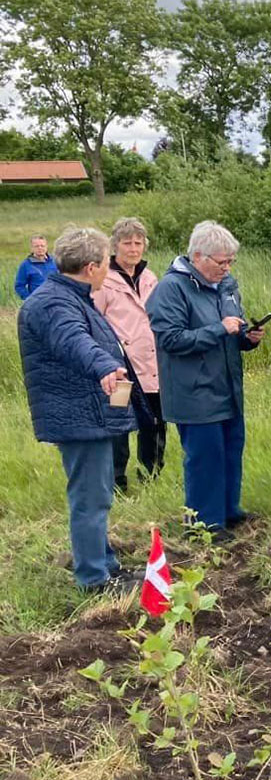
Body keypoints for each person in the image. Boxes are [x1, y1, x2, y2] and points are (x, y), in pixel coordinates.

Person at [19, 227, 142, 593]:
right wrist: (104, 366)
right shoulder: (52, 303)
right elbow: (74, 340)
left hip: (91, 413)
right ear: (91, 267)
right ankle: (95, 579)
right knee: (89, 498)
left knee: (99, 493)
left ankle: (106, 564)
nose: (110, 268)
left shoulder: (73, 295)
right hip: (78, 415)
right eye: (107, 262)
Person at [148, 221, 264, 543]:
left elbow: (231, 330)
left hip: (227, 386)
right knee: (204, 458)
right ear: (198, 256)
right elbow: (170, 339)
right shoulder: (171, 288)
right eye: (221, 262)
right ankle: (204, 525)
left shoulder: (226, 286)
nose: (226, 269)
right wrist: (220, 329)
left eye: (230, 262)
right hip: (194, 392)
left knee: (230, 450)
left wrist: (246, 338)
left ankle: (229, 511)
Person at [93, 218, 166, 492]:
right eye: (127, 243)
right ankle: (116, 482)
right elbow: (94, 320)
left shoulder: (150, 278)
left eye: (138, 242)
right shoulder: (104, 279)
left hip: (152, 364)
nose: (133, 249)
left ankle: (151, 478)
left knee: (155, 424)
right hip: (119, 367)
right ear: (115, 246)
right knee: (119, 425)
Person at [14, 234, 57, 300]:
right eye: (36, 246)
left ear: (46, 247)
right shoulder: (26, 265)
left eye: (42, 246)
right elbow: (19, 286)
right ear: (32, 248)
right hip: (38, 303)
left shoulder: (55, 261)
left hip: (55, 300)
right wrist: (29, 299)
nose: (40, 248)